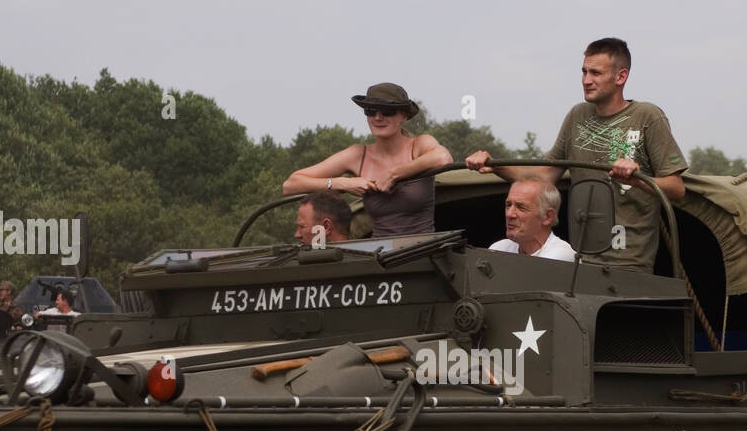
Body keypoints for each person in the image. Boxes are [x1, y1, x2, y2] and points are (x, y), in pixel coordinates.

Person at [466, 38, 688, 272]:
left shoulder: (647, 116)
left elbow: (677, 188)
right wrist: (495, 165)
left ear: (620, 77)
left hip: (629, 263)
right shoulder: (577, 116)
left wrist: (637, 179)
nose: (586, 80)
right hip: (583, 260)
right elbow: (544, 176)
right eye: (584, 72)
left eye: (595, 73)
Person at [283, 83, 453, 236]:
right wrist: (342, 183)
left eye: (387, 111)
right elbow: (290, 185)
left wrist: (394, 174)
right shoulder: (358, 155)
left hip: (424, 253)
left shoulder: (419, 145)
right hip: (379, 258)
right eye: (371, 111)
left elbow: (443, 158)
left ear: (404, 116)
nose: (378, 117)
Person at [489, 177, 575, 262]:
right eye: (508, 205)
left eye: (521, 207)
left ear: (547, 216)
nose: (509, 214)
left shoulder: (560, 255)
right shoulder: (499, 248)